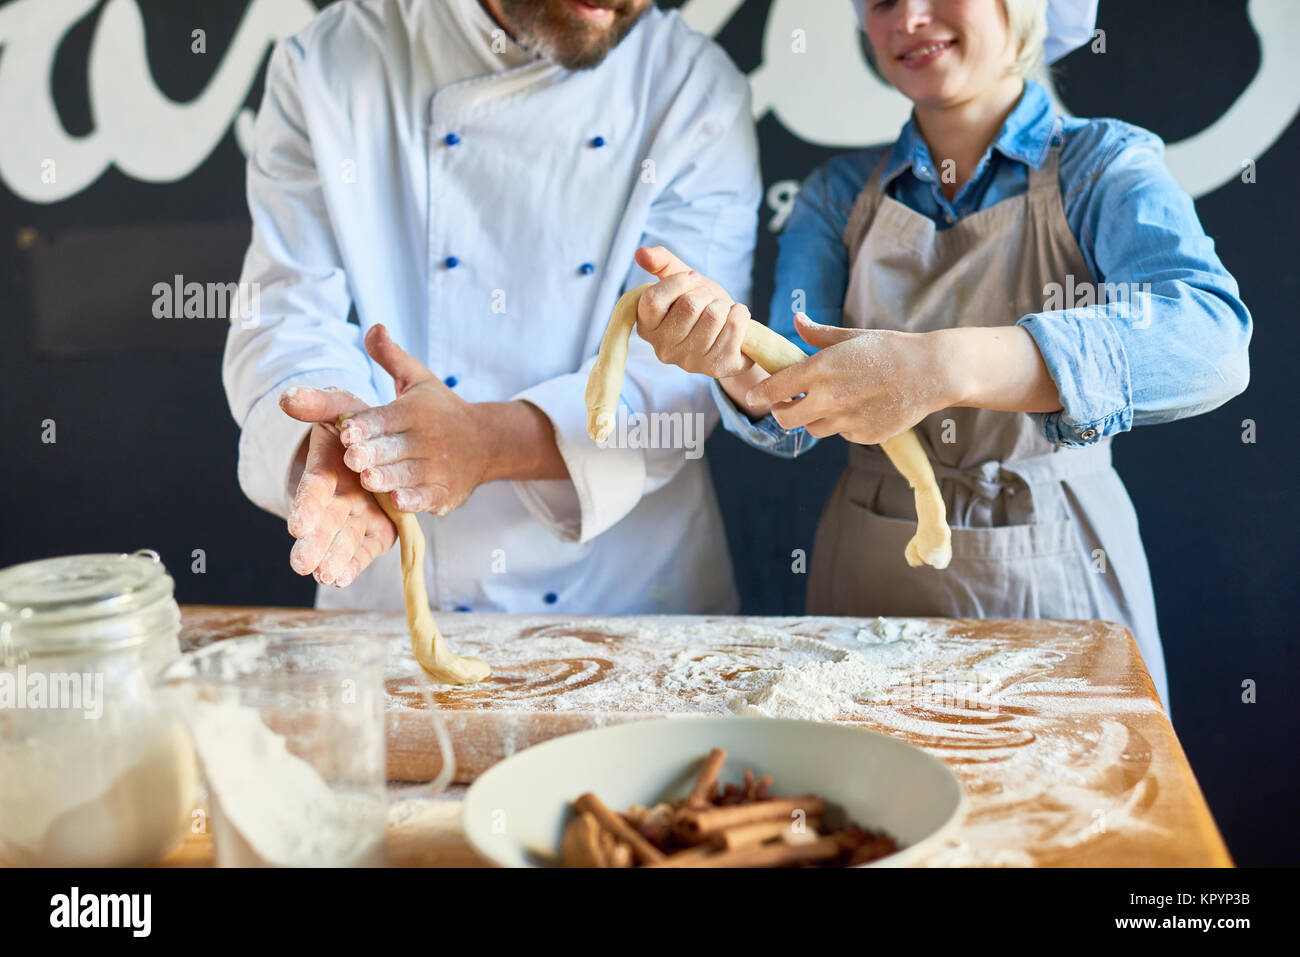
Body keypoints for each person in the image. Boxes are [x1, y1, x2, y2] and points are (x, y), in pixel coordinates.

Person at [630, 0, 1251, 714]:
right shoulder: (836, 199)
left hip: (1060, 564)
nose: (911, 18)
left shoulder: (1102, 168)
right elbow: (791, 398)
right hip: (868, 571)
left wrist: (944, 367)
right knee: (867, 813)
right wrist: (729, 357)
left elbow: (1211, 339)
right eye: (883, 1)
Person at [223, 0, 764, 617]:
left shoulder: (694, 89)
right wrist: (341, 440)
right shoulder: (328, 62)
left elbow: (684, 371)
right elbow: (286, 312)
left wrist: (482, 442)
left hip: (630, 599)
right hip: (393, 590)